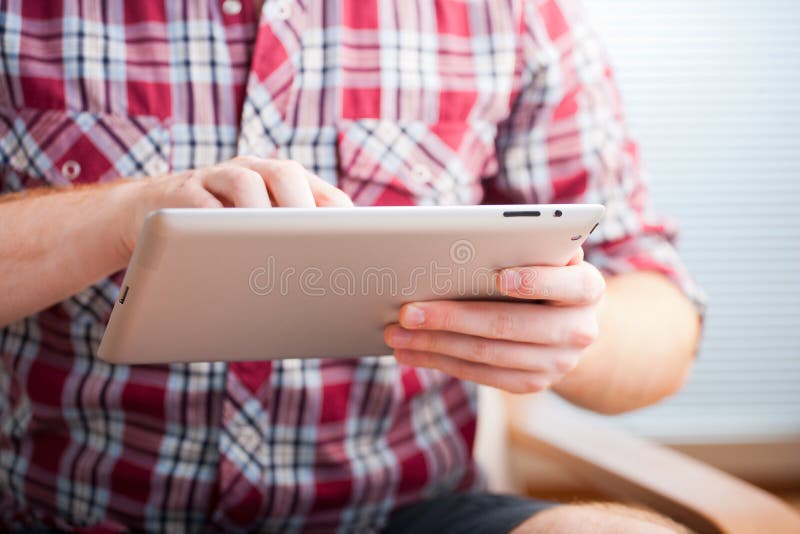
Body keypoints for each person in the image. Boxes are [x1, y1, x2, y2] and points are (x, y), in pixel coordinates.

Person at [0, 1, 703, 532]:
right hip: (62, 511)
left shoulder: (512, 13)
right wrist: (123, 214)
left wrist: (578, 334)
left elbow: (663, 316)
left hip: (411, 514)